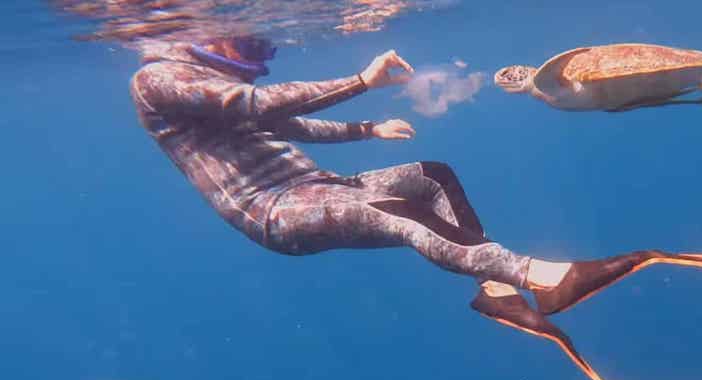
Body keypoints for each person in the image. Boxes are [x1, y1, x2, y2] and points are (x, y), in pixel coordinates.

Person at [129, 35, 648, 337]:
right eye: (251, 44)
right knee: (402, 212)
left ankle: (497, 291)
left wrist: (367, 129)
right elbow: (258, 106)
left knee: (430, 176)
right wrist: (361, 82)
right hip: (275, 209)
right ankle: (545, 277)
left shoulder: (203, 85)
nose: (261, 58)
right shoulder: (157, 78)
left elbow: (287, 125)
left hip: (319, 186)